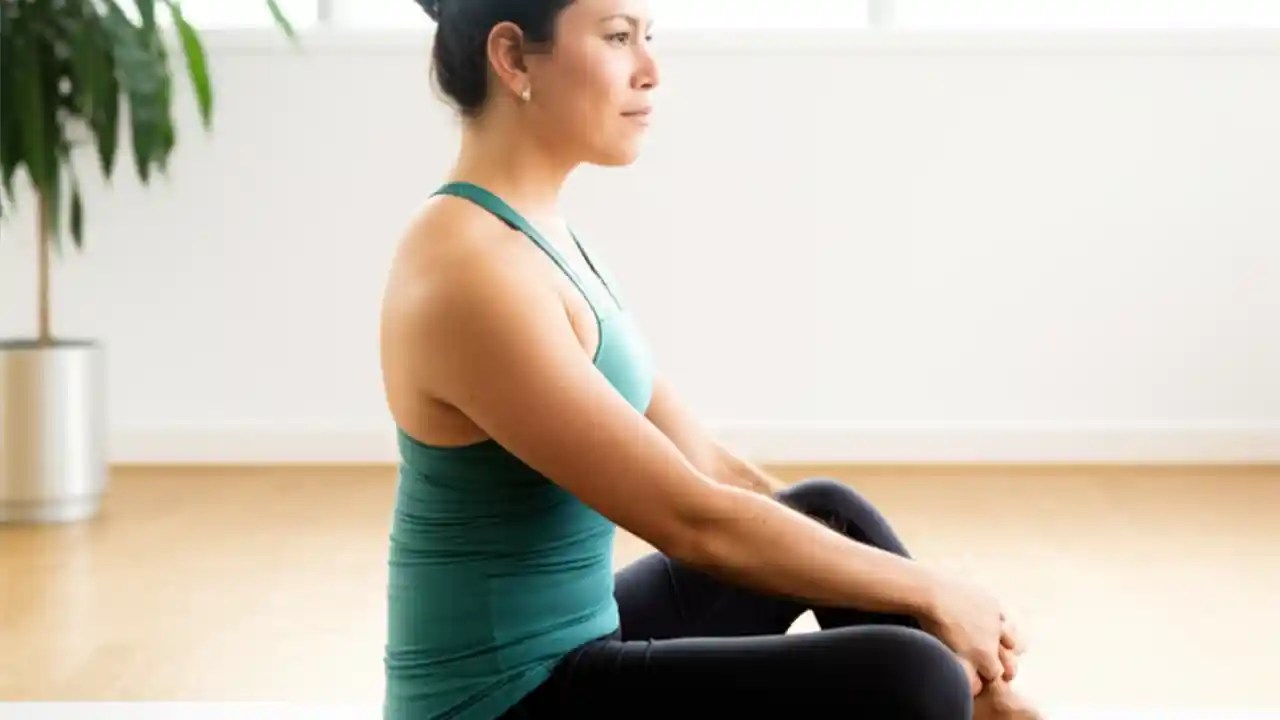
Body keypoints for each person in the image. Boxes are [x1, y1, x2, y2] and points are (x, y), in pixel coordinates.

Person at [378, 1, 1044, 718]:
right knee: (912, 676)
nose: (651, 70)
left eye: (648, 37)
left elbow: (709, 467)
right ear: (512, 59)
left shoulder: (541, 237)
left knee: (825, 516)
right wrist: (932, 591)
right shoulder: (469, 272)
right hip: (501, 703)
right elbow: (691, 520)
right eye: (618, 38)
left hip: (578, 647)